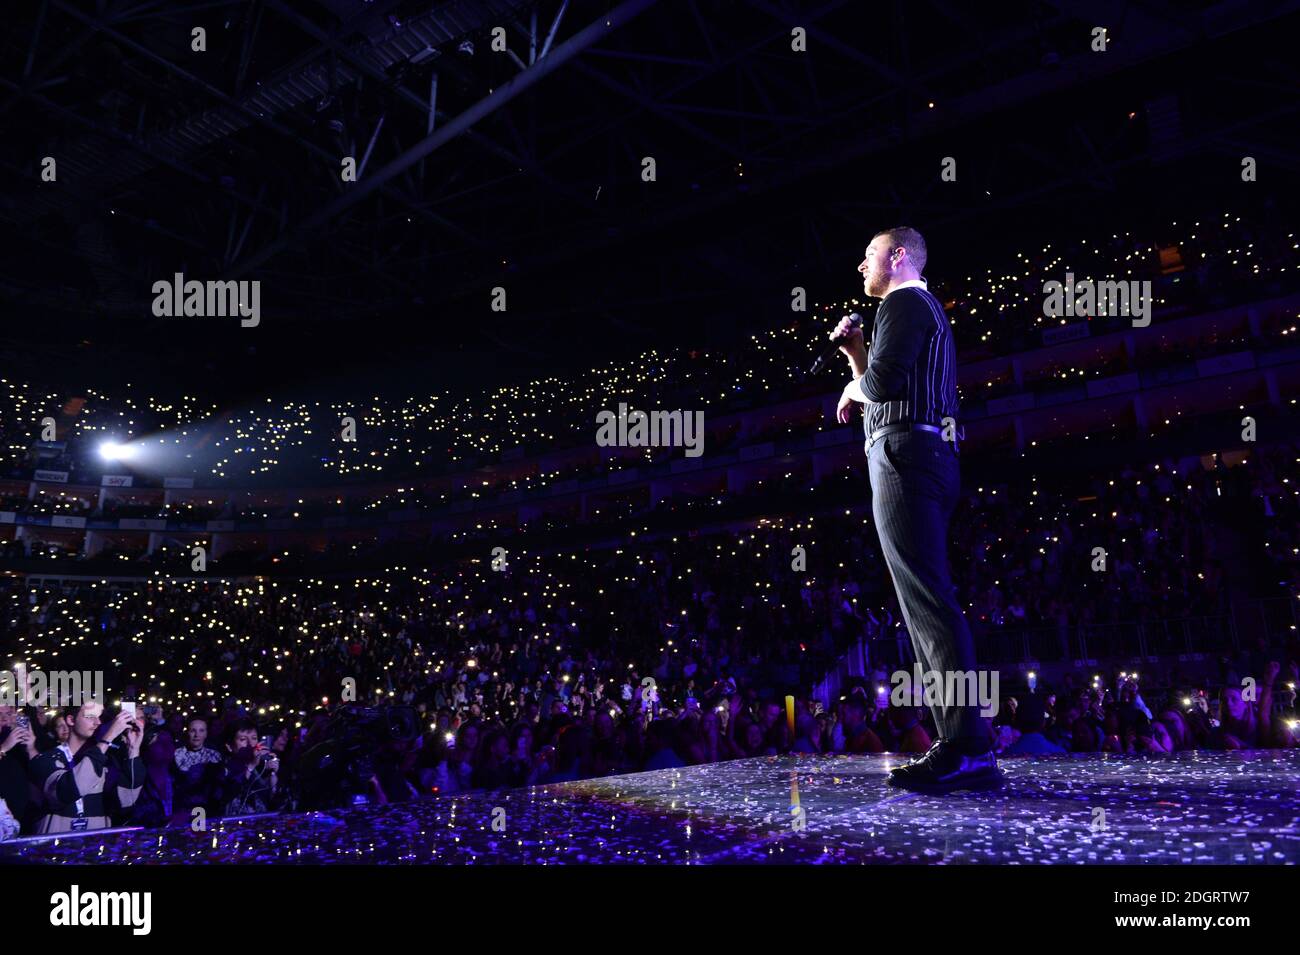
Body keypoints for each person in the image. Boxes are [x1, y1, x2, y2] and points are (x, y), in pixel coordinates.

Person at [832, 226, 998, 791]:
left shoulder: (904, 301)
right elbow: (883, 391)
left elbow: (877, 389)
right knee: (925, 602)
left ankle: (968, 747)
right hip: (917, 451)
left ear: (898, 257)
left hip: (908, 455)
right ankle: (962, 744)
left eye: (868, 253)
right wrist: (858, 357)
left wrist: (856, 384)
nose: (860, 265)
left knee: (929, 603)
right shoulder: (915, 309)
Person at [28, 701, 144, 834]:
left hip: (95, 845)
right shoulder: (45, 759)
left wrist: (133, 750)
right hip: (55, 846)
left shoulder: (105, 759)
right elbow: (65, 791)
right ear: (71, 720)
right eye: (90, 716)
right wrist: (108, 737)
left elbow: (126, 801)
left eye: (99, 717)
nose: (97, 722)